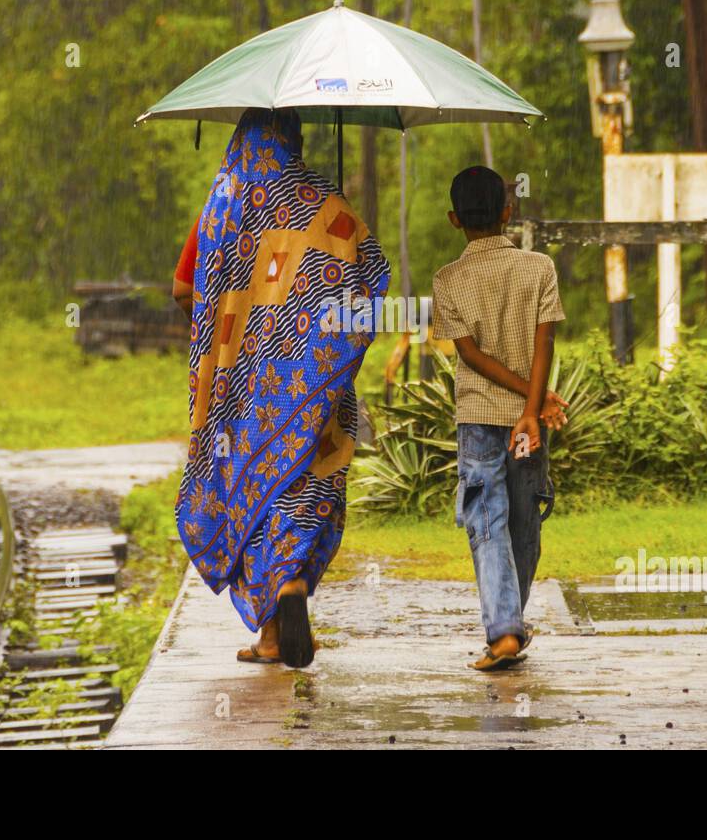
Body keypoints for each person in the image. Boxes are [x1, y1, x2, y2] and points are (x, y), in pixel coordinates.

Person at [171, 108, 389, 668]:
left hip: (237, 391)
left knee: (251, 492)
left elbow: (181, 289)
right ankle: (291, 585)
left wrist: (232, 312)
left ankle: (271, 632)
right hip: (312, 385)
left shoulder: (220, 206)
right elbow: (371, 279)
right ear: (294, 140)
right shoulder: (327, 203)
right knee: (301, 486)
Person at [431, 165, 566, 671]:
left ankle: (505, 629)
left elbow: (470, 356)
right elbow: (544, 340)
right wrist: (534, 407)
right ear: (508, 212)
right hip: (524, 424)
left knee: (487, 520)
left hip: (478, 422)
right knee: (526, 518)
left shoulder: (448, 280)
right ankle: (510, 622)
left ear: (453, 220)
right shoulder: (539, 268)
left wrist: (529, 404)